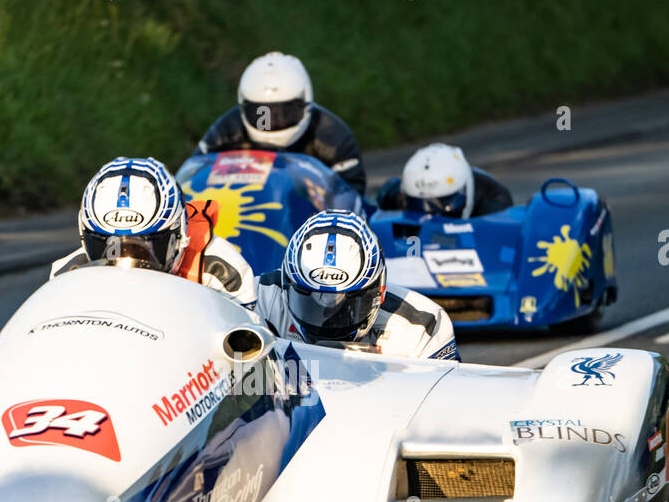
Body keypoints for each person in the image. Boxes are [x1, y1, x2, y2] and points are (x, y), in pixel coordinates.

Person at [51, 157, 256, 308]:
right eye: (108, 248)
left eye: (143, 249)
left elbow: (246, 356)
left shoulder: (221, 269)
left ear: (180, 233)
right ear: (84, 236)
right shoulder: (65, 276)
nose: (124, 262)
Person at [256, 210, 458, 360]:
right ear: (286, 285)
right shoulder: (257, 300)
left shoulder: (421, 325)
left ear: (379, 291)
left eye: (345, 305)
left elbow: (443, 406)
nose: (328, 317)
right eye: (311, 301)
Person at [196, 51, 367, 194]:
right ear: (244, 106)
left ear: (305, 104)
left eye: (284, 112)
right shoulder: (226, 131)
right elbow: (193, 180)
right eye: (262, 114)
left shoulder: (332, 135)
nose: (271, 122)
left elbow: (353, 197)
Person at [375, 143, 512, 218]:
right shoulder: (389, 196)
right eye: (417, 203)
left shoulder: (496, 203)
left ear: (464, 190)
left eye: (443, 202)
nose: (430, 215)